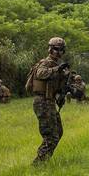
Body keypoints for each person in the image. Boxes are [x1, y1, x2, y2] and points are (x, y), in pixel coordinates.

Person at [26, 36, 68, 164]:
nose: (59, 52)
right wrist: (57, 70)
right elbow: (40, 73)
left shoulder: (57, 65)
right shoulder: (45, 63)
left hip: (50, 102)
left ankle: (43, 160)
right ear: (50, 49)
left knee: (58, 132)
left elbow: (57, 86)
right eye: (56, 49)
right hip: (42, 102)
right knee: (51, 136)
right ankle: (39, 163)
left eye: (61, 50)